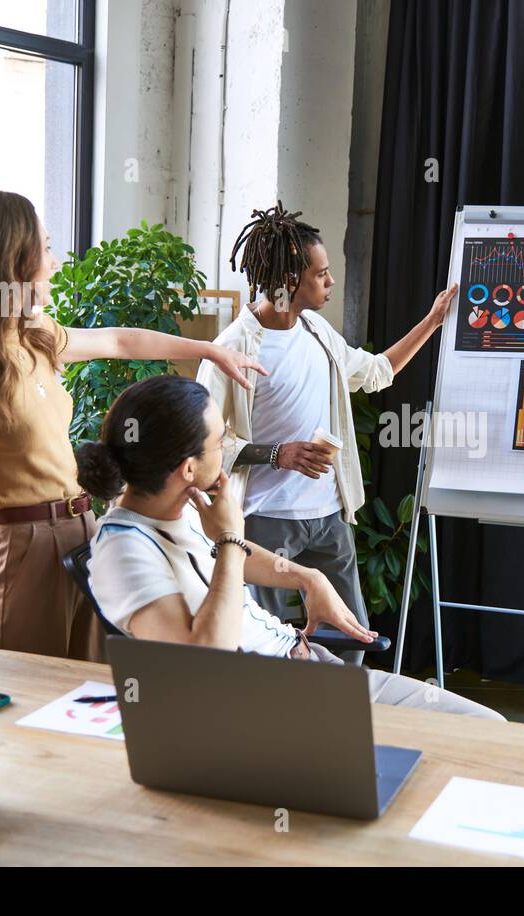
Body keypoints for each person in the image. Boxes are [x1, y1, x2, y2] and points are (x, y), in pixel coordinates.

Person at [0, 189, 263, 668]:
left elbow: (119, 340)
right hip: (19, 554)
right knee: (11, 711)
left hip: (83, 537)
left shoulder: (32, 335)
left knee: (82, 702)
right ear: (9, 261)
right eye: (44, 248)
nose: (54, 262)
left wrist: (208, 350)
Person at [77, 374, 503, 721]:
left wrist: (306, 576)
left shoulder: (178, 504)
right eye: (220, 439)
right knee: (485, 730)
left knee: (487, 730)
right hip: (277, 702)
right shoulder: (123, 551)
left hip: (303, 664)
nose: (227, 446)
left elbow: (235, 555)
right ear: (188, 468)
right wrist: (228, 537)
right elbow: (202, 659)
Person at [197, 202, 456, 663]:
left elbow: (377, 371)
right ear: (291, 280)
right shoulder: (230, 349)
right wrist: (279, 454)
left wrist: (433, 322)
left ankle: (336, 727)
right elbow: (206, 447)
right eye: (322, 274)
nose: (331, 282)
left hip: (330, 516)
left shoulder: (317, 330)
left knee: (351, 638)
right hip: (265, 520)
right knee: (264, 650)